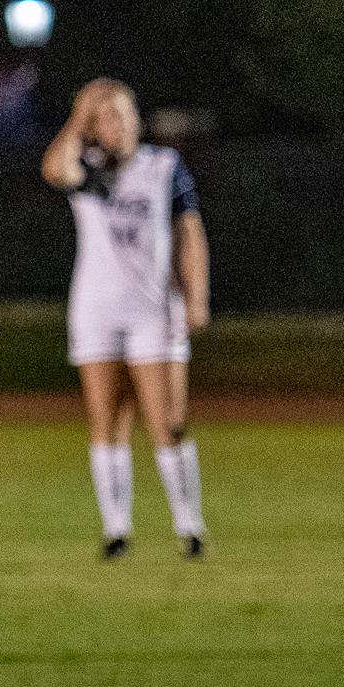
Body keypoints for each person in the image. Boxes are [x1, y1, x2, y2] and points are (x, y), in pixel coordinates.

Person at [42, 78, 211, 558]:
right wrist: (78, 116)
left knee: (169, 421)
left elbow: (189, 230)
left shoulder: (163, 166)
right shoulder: (90, 169)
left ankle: (190, 526)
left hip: (153, 308)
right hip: (96, 309)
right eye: (103, 117)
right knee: (106, 419)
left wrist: (196, 296)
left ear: (137, 118)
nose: (114, 125)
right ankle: (116, 530)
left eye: (121, 114)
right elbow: (55, 170)